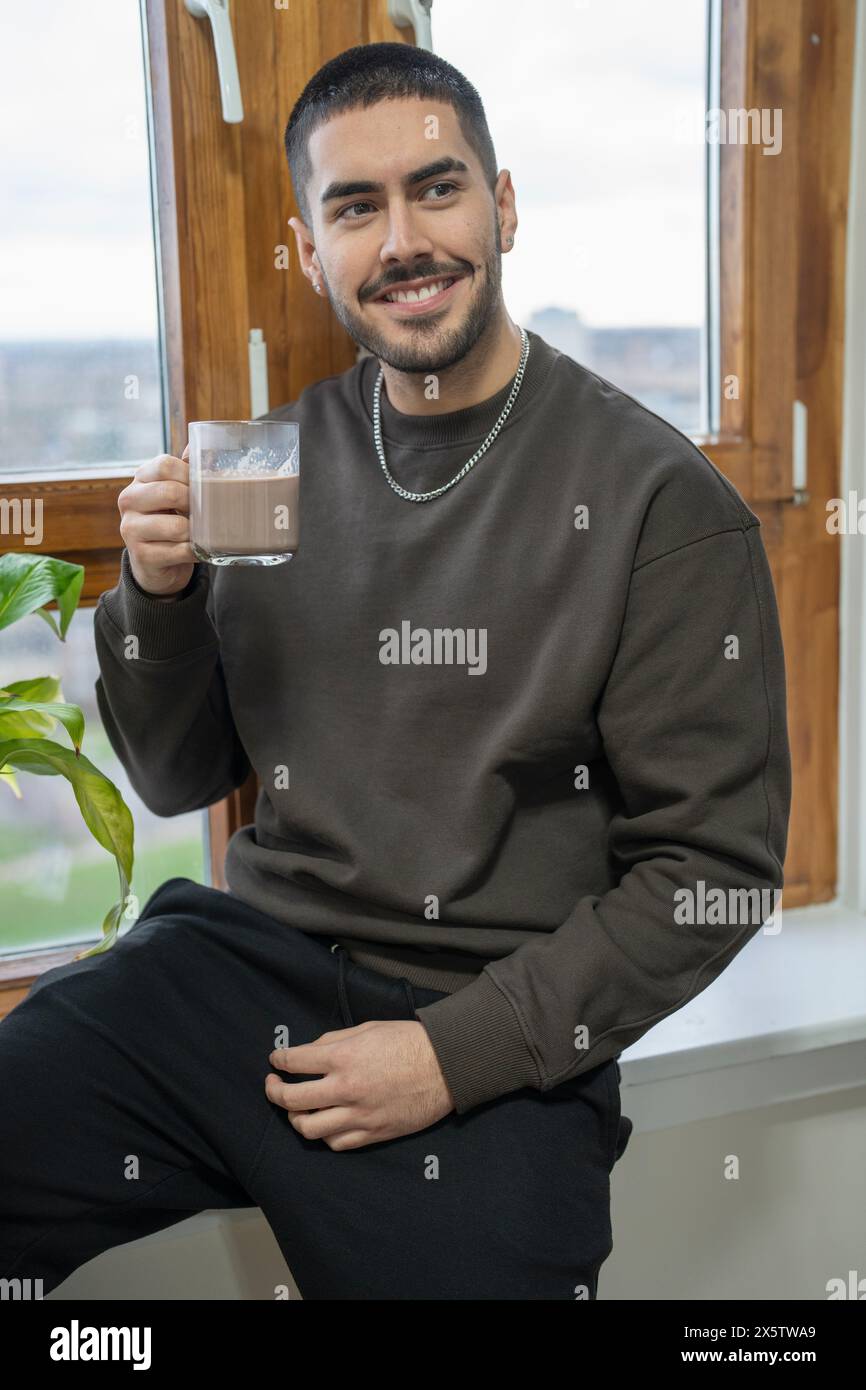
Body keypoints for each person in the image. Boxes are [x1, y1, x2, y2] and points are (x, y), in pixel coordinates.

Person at [0, 42, 791, 1301]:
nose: (404, 238)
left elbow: (712, 874)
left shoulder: (657, 503)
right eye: (354, 206)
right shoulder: (271, 468)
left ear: (504, 205)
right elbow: (175, 775)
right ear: (310, 249)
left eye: (437, 188)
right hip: (234, 968)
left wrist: (446, 1056)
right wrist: (156, 603)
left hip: (489, 1015)